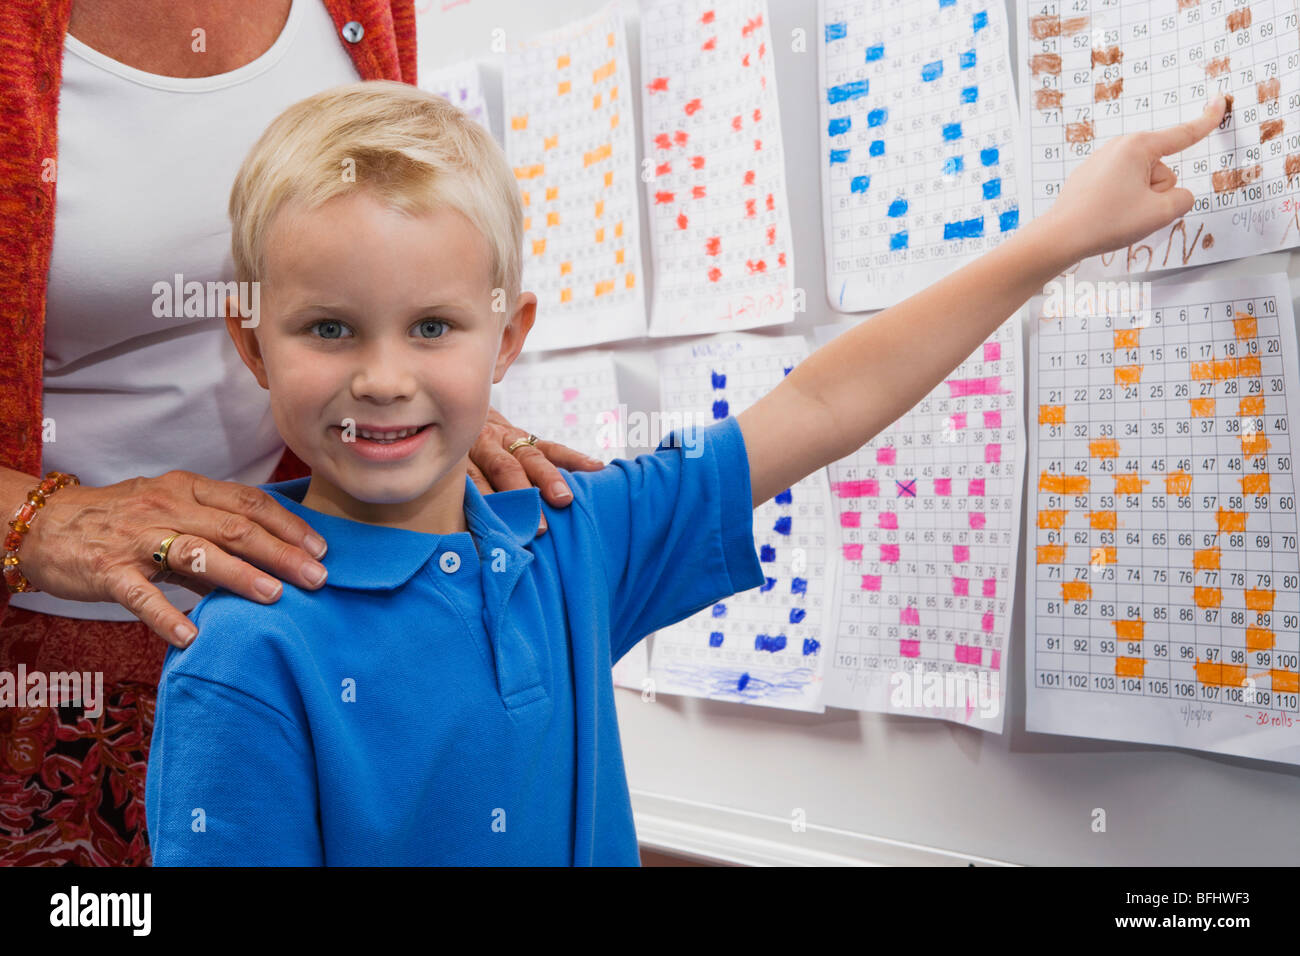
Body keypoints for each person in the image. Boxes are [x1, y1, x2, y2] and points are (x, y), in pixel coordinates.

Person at [142, 78, 1227, 864]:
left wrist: (1054, 239)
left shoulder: (567, 536)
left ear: (506, 339)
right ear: (251, 347)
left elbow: (818, 402)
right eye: (329, 328)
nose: (383, 378)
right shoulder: (246, 658)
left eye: (431, 326)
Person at [0, 0, 596, 867]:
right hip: (44, 681)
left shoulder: (365, 13)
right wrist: (35, 520)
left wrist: (430, 407)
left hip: (305, 622)